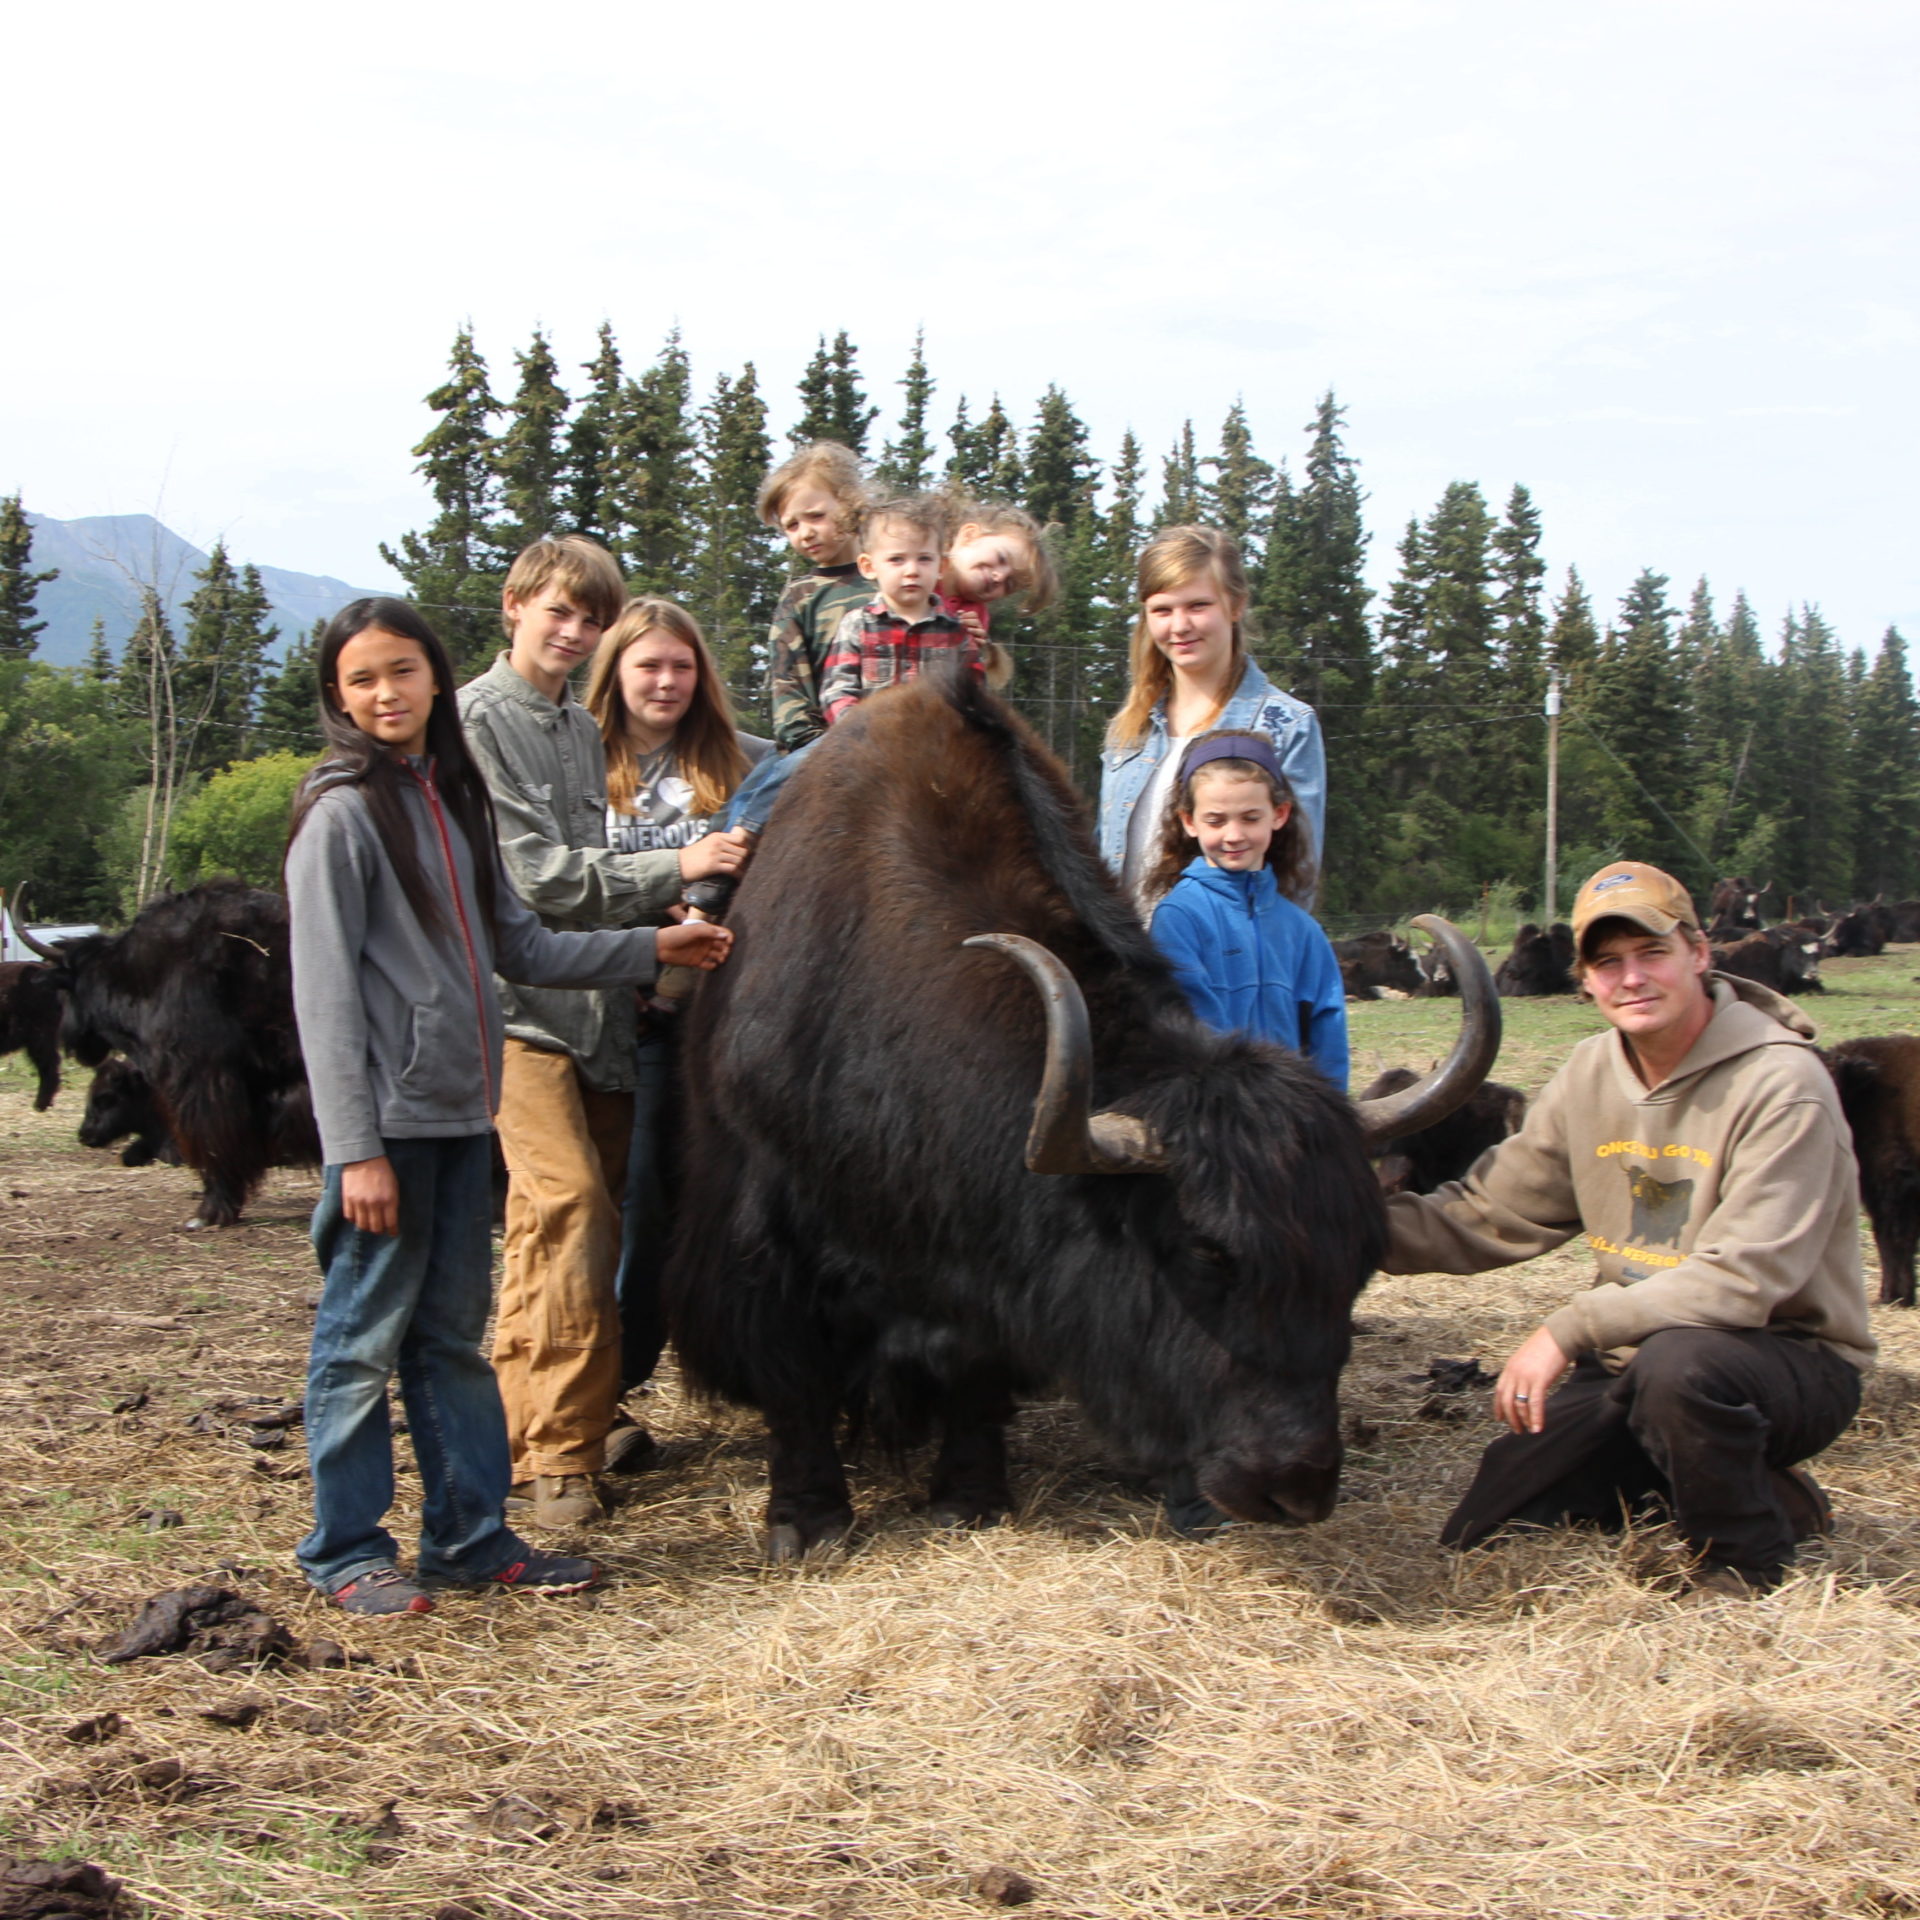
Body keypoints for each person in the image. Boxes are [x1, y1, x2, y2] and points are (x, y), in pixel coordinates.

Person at [284, 597, 731, 1615]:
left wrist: (652, 947)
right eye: (361, 680)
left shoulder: (450, 800)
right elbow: (321, 996)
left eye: (401, 671)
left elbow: (519, 948)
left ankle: (469, 1539)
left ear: (434, 678)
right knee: (359, 1342)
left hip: (452, 1115)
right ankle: (346, 1549)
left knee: (449, 1339)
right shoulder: (341, 812)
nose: (385, 693)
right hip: (386, 1132)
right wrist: (354, 1150)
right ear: (338, 699)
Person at [1383, 860, 1875, 1598]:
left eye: (1652, 954)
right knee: (1492, 1520)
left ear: (1700, 954)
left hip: (1781, 1360)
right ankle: (1730, 1478)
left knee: (1684, 1370)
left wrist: (1567, 1331)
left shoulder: (1783, 1083)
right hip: (1630, 1366)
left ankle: (1741, 1561)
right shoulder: (1589, 1072)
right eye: (1608, 963)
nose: (1632, 979)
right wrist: (1340, 1227)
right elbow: (1490, 1211)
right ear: (1584, 980)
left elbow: (1744, 1281)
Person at [458, 535, 738, 1533]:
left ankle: (544, 1438)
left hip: (604, 1015)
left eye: (587, 618)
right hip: (521, 1011)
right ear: (515, 606)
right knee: (570, 1207)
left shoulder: (578, 732)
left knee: (568, 1231)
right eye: (557, 612)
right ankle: (553, 1462)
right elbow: (538, 878)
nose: (570, 632)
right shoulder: (477, 722)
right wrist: (676, 873)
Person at [582, 597, 771, 1396]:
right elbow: (551, 878)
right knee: (590, 1209)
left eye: (682, 666)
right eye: (648, 665)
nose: (667, 682)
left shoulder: (748, 764)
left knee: (666, 1198)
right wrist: (661, 891)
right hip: (595, 1007)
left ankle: (636, 1373)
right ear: (614, 671)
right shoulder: (576, 761)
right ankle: (589, 1389)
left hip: (694, 1020)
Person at [1098, 527, 1326, 914]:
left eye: (1198, 606)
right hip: (1124, 964)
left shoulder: (1286, 725)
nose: (1180, 626)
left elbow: (1296, 879)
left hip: (1223, 963)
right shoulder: (1128, 731)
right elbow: (1105, 855)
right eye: (1162, 610)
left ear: (1235, 605)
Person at [1144, 730, 1348, 1090]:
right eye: (1216, 820)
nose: (1234, 834)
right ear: (1189, 821)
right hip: (1216, 1115)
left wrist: (1332, 1115)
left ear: (1279, 814)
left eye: (1251, 818)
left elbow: (1327, 1035)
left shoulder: (1303, 931)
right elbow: (1193, 1034)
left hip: (1293, 1114)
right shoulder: (1178, 917)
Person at [817, 493, 974, 725]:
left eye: (924, 559)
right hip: (869, 744)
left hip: (937, 745)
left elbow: (975, 695)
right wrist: (856, 732)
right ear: (869, 566)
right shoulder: (857, 625)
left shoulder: (956, 632)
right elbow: (837, 692)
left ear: (942, 566)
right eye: (897, 560)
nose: (911, 570)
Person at [760, 441, 873, 752]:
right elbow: (787, 685)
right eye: (792, 525)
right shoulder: (800, 597)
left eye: (815, 516)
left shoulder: (895, 582)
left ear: (851, 504)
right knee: (749, 799)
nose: (805, 533)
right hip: (820, 745)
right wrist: (812, 744)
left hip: (897, 738)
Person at [937, 500, 1058, 683]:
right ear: (969, 536)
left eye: (1009, 584)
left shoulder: (976, 617)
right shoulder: (915, 574)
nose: (999, 577)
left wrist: (967, 644)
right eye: (1001, 558)